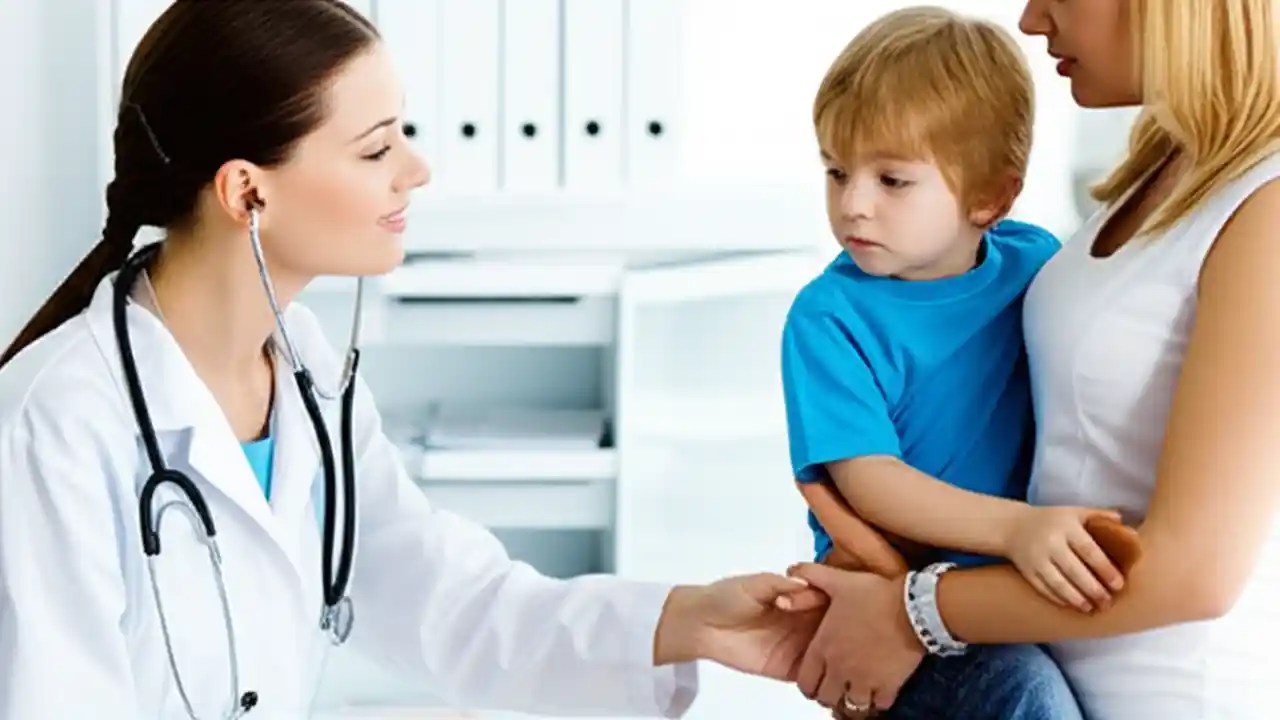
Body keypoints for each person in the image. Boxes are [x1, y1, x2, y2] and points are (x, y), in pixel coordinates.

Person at [0, 2, 830, 718]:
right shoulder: (59, 421)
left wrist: (689, 619)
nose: (416, 171)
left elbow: (446, 598)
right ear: (248, 192)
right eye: (375, 150)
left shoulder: (306, 368)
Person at [786, 0, 1280, 717]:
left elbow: (1197, 571)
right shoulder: (1163, 174)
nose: (1030, 18)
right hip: (1033, 665)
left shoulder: (1263, 207)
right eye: (839, 172)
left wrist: (911, 610)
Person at [780, 7, 1134, 718]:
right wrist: (1015, 530)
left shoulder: (1038, 264)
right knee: (1031, 698)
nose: (854, 206)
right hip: (900, 599)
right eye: (837, 171)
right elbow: (870, 482)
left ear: (991, 197)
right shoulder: (830, 317)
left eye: (893, 181)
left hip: (1008, 597)